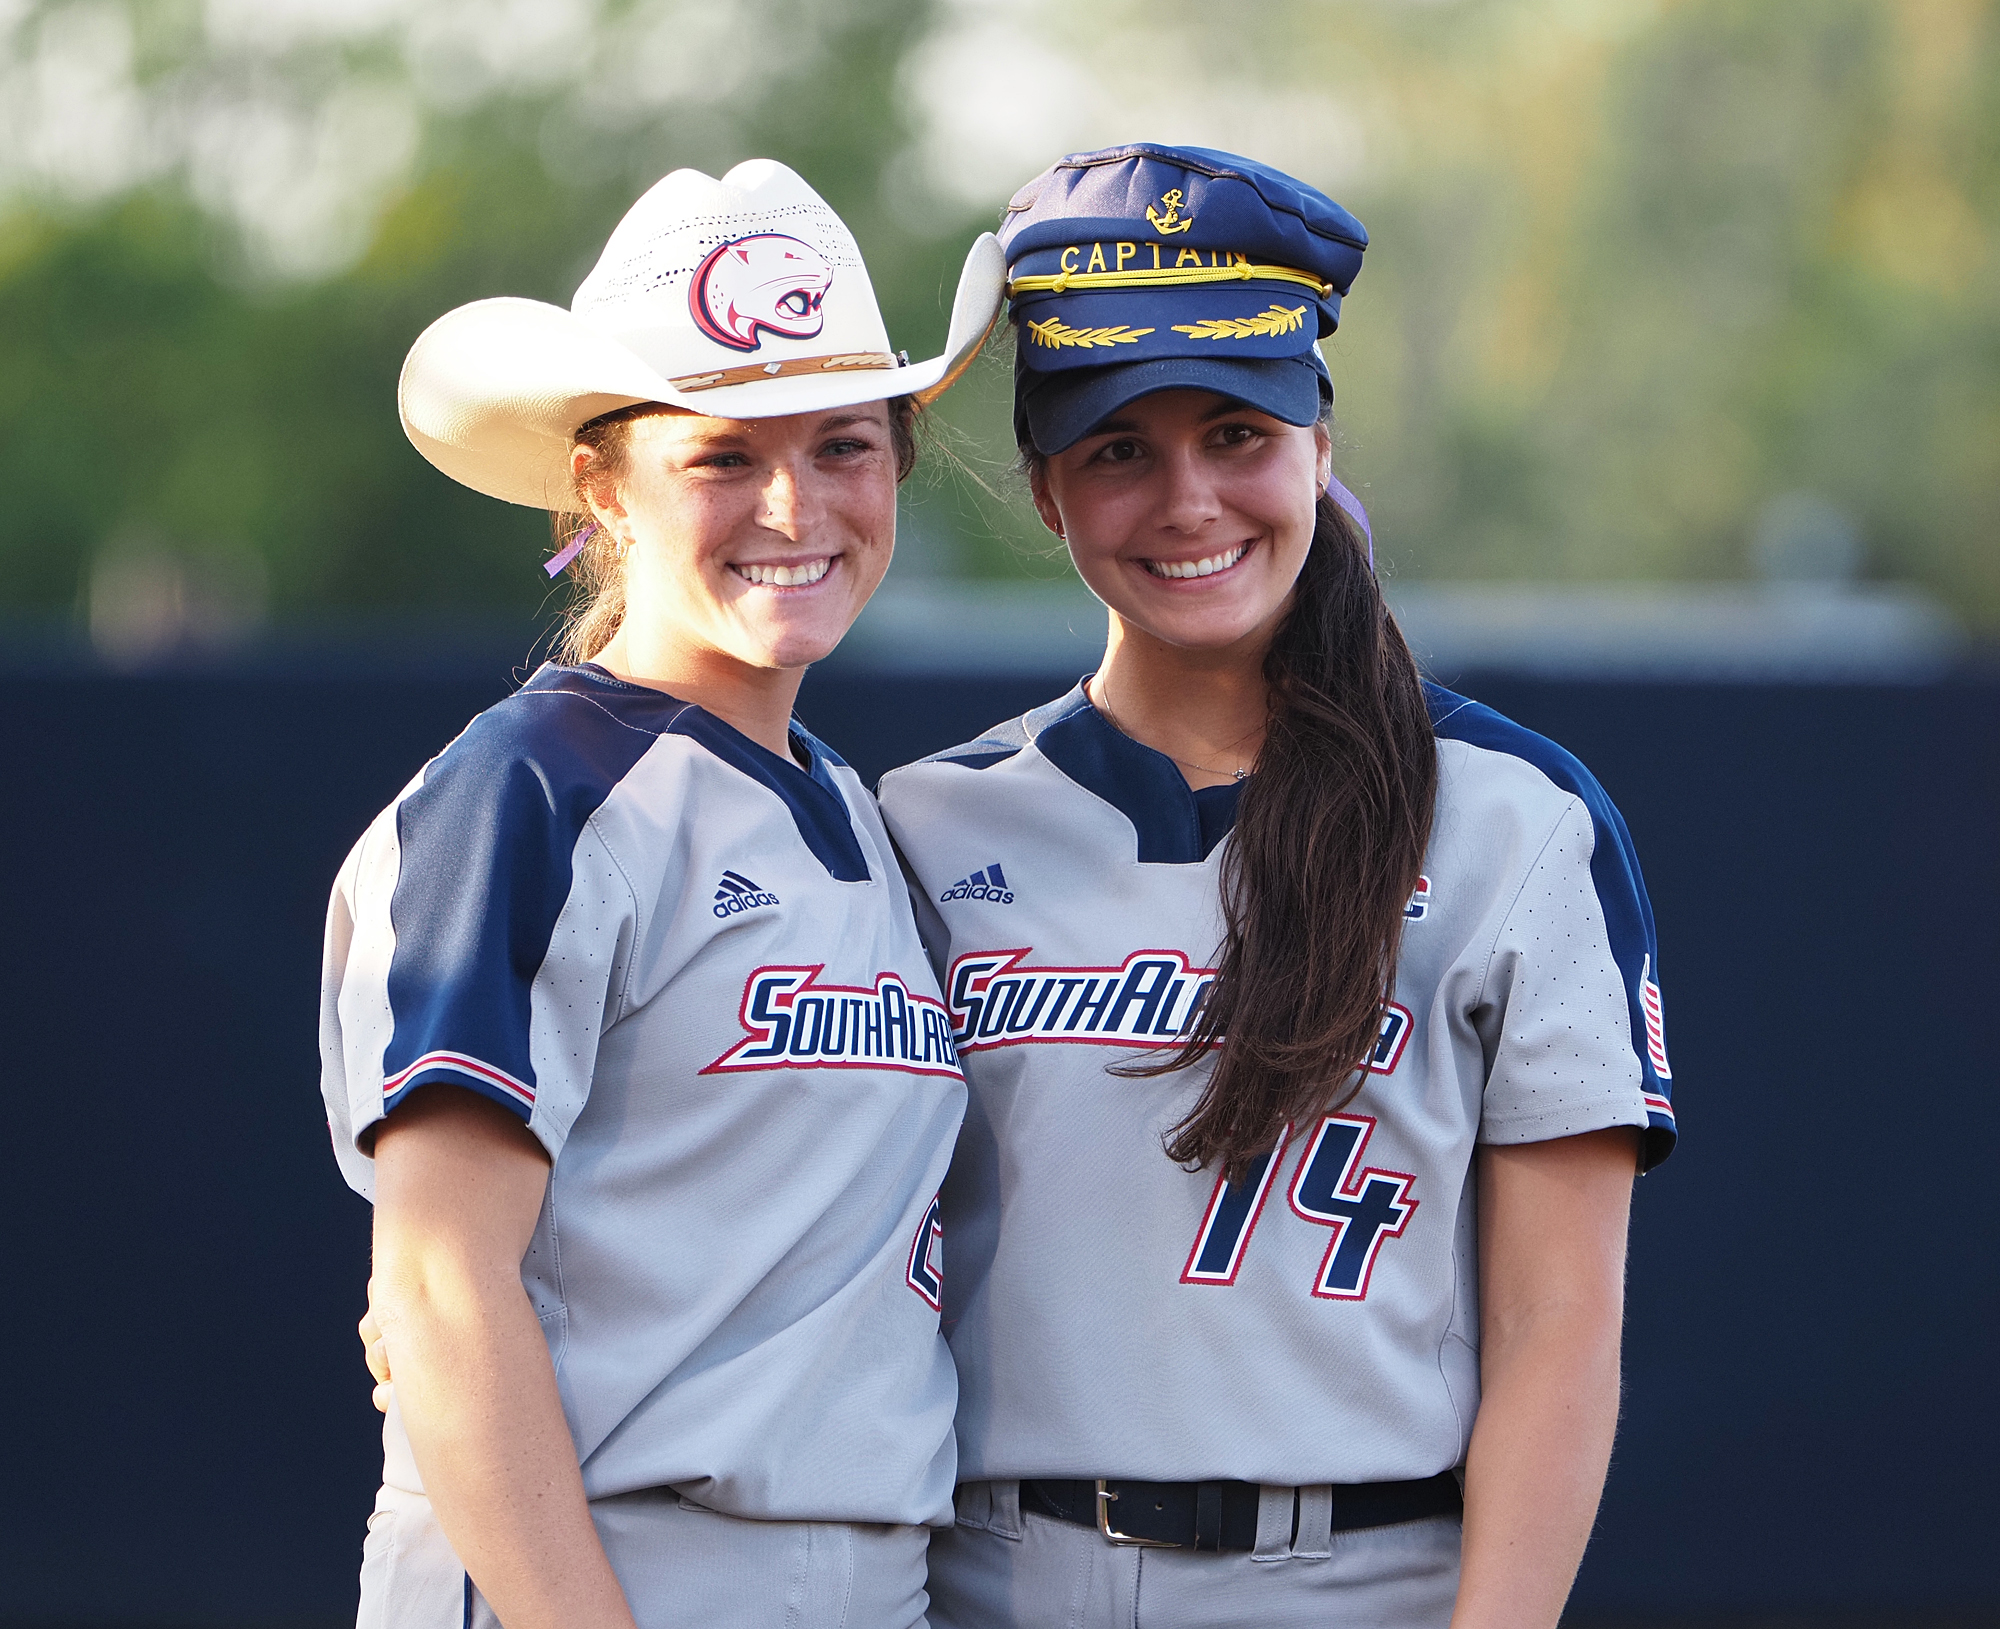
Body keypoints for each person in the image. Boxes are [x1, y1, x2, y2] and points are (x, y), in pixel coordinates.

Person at [874, 143, 1679, 1629]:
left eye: (1237, 431)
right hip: (991, 1579)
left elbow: (1559, 1323)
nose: (1188, 501)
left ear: (1320, 442)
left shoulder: (1516, 817)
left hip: (1364, 1579)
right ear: (1049, 492)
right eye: (1120, 448)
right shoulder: (920, 826)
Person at [320, 158, 1003, 1629]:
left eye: (842, 444)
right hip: (591, 1574)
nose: (794, 503)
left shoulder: (857, 812)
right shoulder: (531, 791)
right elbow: (439, 1295)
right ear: (601, 485)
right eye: (722, 457)